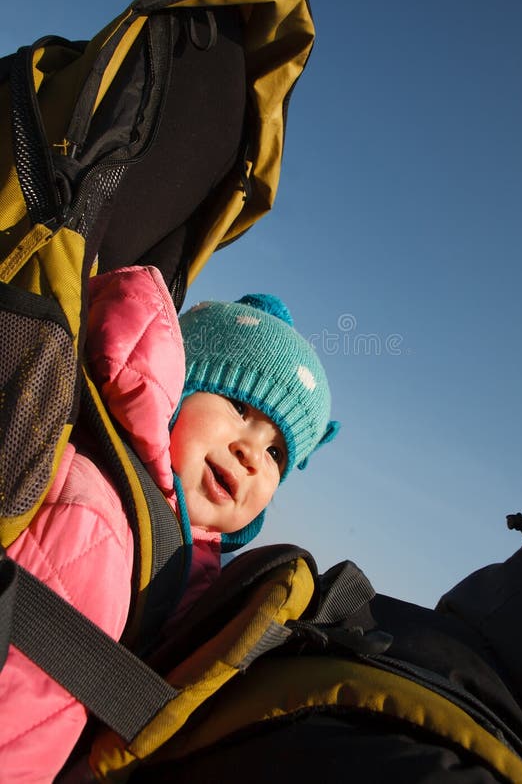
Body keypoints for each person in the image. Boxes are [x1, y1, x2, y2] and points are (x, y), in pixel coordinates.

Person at [0, 265, 338, 783]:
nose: (251, 453)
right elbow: (23, 699)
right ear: (179, 386)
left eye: (276, 451)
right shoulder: (97, 516)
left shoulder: (184, 559)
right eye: (238, 405)